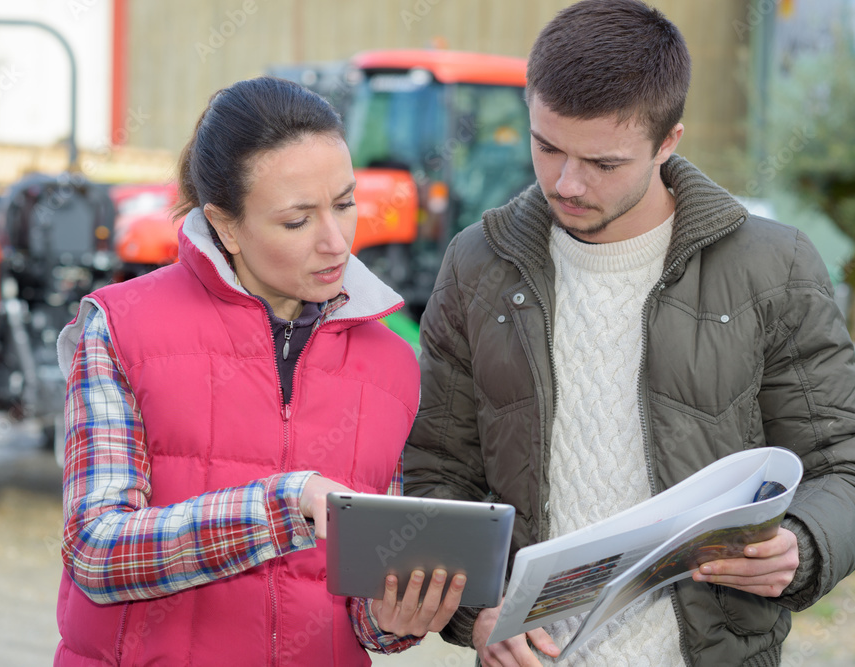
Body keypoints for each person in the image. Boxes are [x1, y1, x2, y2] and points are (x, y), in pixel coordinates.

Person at [403, 1, 855, 665]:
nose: (567, 181)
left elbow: (841, 463)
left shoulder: (774, 267)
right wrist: (479, 614)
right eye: (547, 145)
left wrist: (804, 542)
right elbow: (438, 475)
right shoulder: (476, 265)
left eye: (604, 162)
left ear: (669, 139)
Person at [53, 76, 465, 666]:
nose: (335, 242)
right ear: (224, 225)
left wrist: (392, 619)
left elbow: (363, 617)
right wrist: (281, 505)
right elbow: (96, 553)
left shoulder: (393, 363)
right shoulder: (120, 327)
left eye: (345, 204)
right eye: (297, 221)